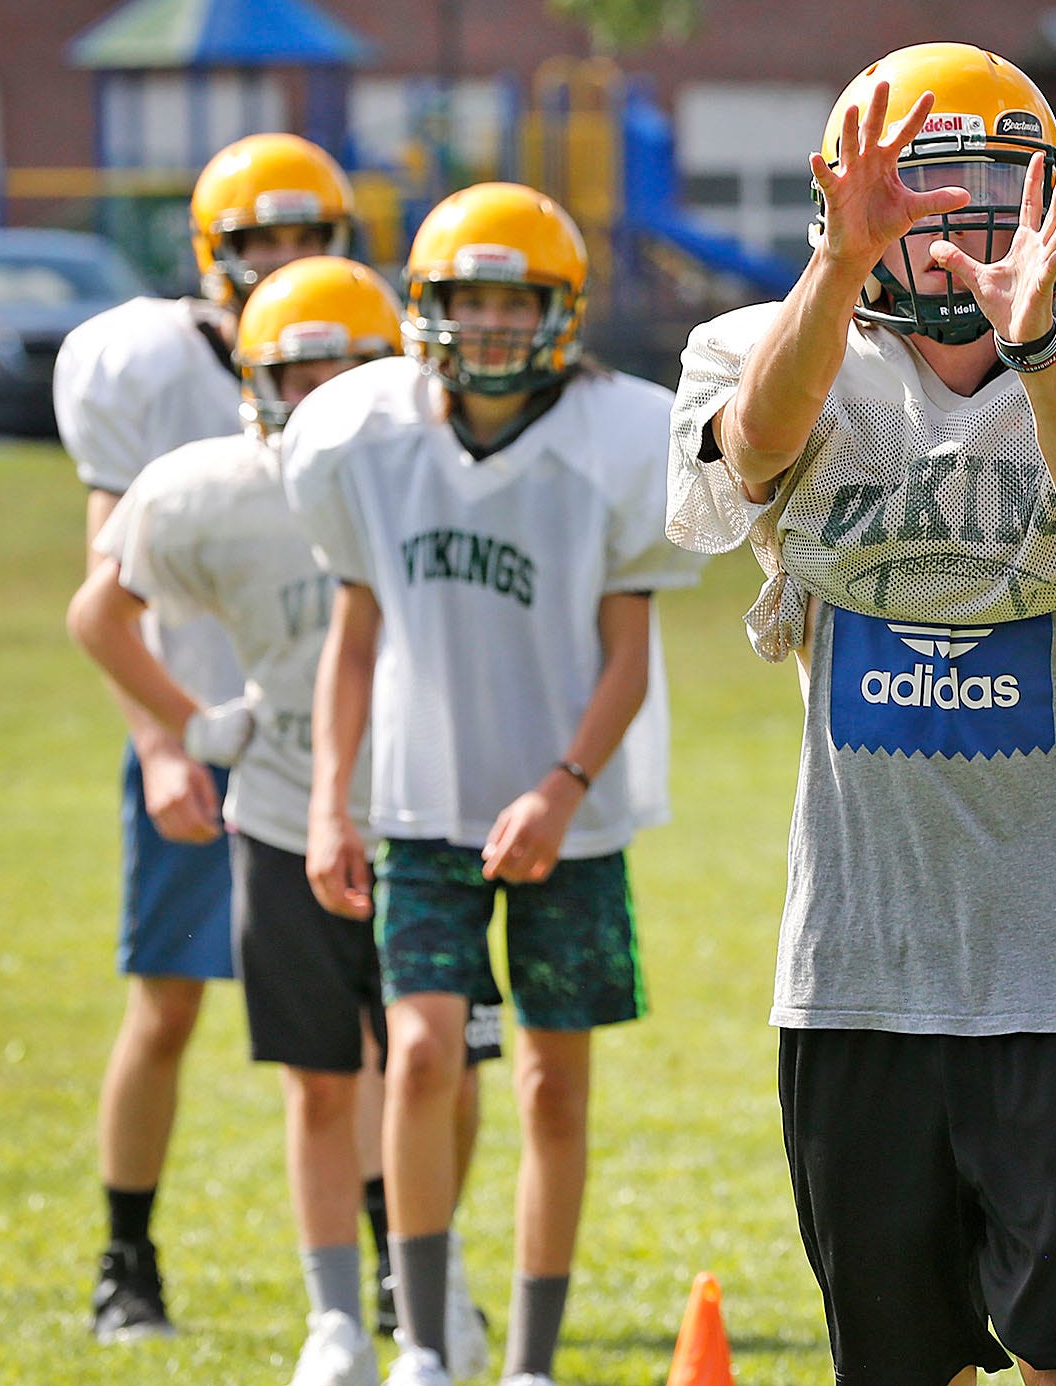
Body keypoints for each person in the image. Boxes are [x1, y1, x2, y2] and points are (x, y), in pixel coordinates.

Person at [665, 42, 1056, 1386]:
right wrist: (834, 266)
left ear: (1051, 205)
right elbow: (754, 449)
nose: (953, 239)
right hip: (856, 962)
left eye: (989, 200)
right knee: (893, 1362)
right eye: (920, 204)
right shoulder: (770, 352)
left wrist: (1036, 345)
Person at [284, 182, 703, 1386]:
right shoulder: (364, 433)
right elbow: (352, 637)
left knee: (550, 1086)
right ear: (430, 306)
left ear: (557, 312)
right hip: (419, 801)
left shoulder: (618, 438)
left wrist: (564, 787)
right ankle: (420, 1341)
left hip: (570, 811)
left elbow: (630, 653)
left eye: (515, 302)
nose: (493, 326)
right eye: (470, 300)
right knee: (417, 1057)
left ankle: (526, 1361)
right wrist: (328, 801)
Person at [64, 257, 494, 1386]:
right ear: (257, 380)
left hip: (423, 810)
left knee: (443, 1066)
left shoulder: (448, 475)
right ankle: (335, 1319)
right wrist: (189, 728)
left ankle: (428, 1278)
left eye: (355, 368)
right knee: (317, 1072)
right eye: (305, 372)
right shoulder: (208, 490)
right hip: (279, 807)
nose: (332, 394)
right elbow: (97, 614)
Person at [53, 134, 370, 1342]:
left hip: (337, 744)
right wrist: (162, 740)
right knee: (169, 1002)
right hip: (203, 724)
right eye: (259, 241)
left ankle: (392, 1278)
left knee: (366, 1024)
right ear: (212, 254)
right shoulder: (143, 363)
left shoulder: (349, 343)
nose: (286, 261)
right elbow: (108, 573)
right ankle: (125, 1256)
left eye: (307, 237)